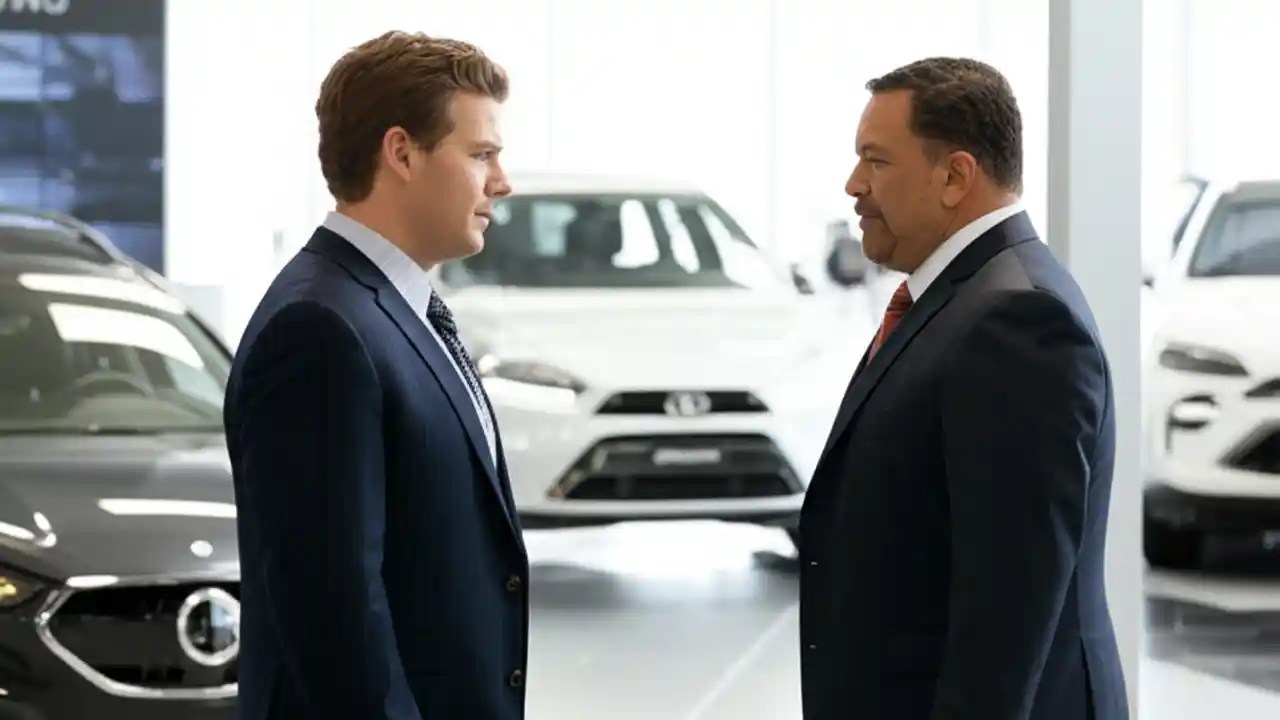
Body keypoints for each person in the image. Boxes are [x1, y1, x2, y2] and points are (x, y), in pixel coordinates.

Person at [797, 58, 1128, 720]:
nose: (853, 185)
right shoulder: (957, 300)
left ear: (954, 176)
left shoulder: (1015, 320)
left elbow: (1007, 607)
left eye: (875, 161)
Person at [223, 31, 527, 719]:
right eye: (481, 155)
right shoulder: (320, 330)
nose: (503, 183)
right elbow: (332, 615)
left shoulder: (392, 309)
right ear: (401, 153)